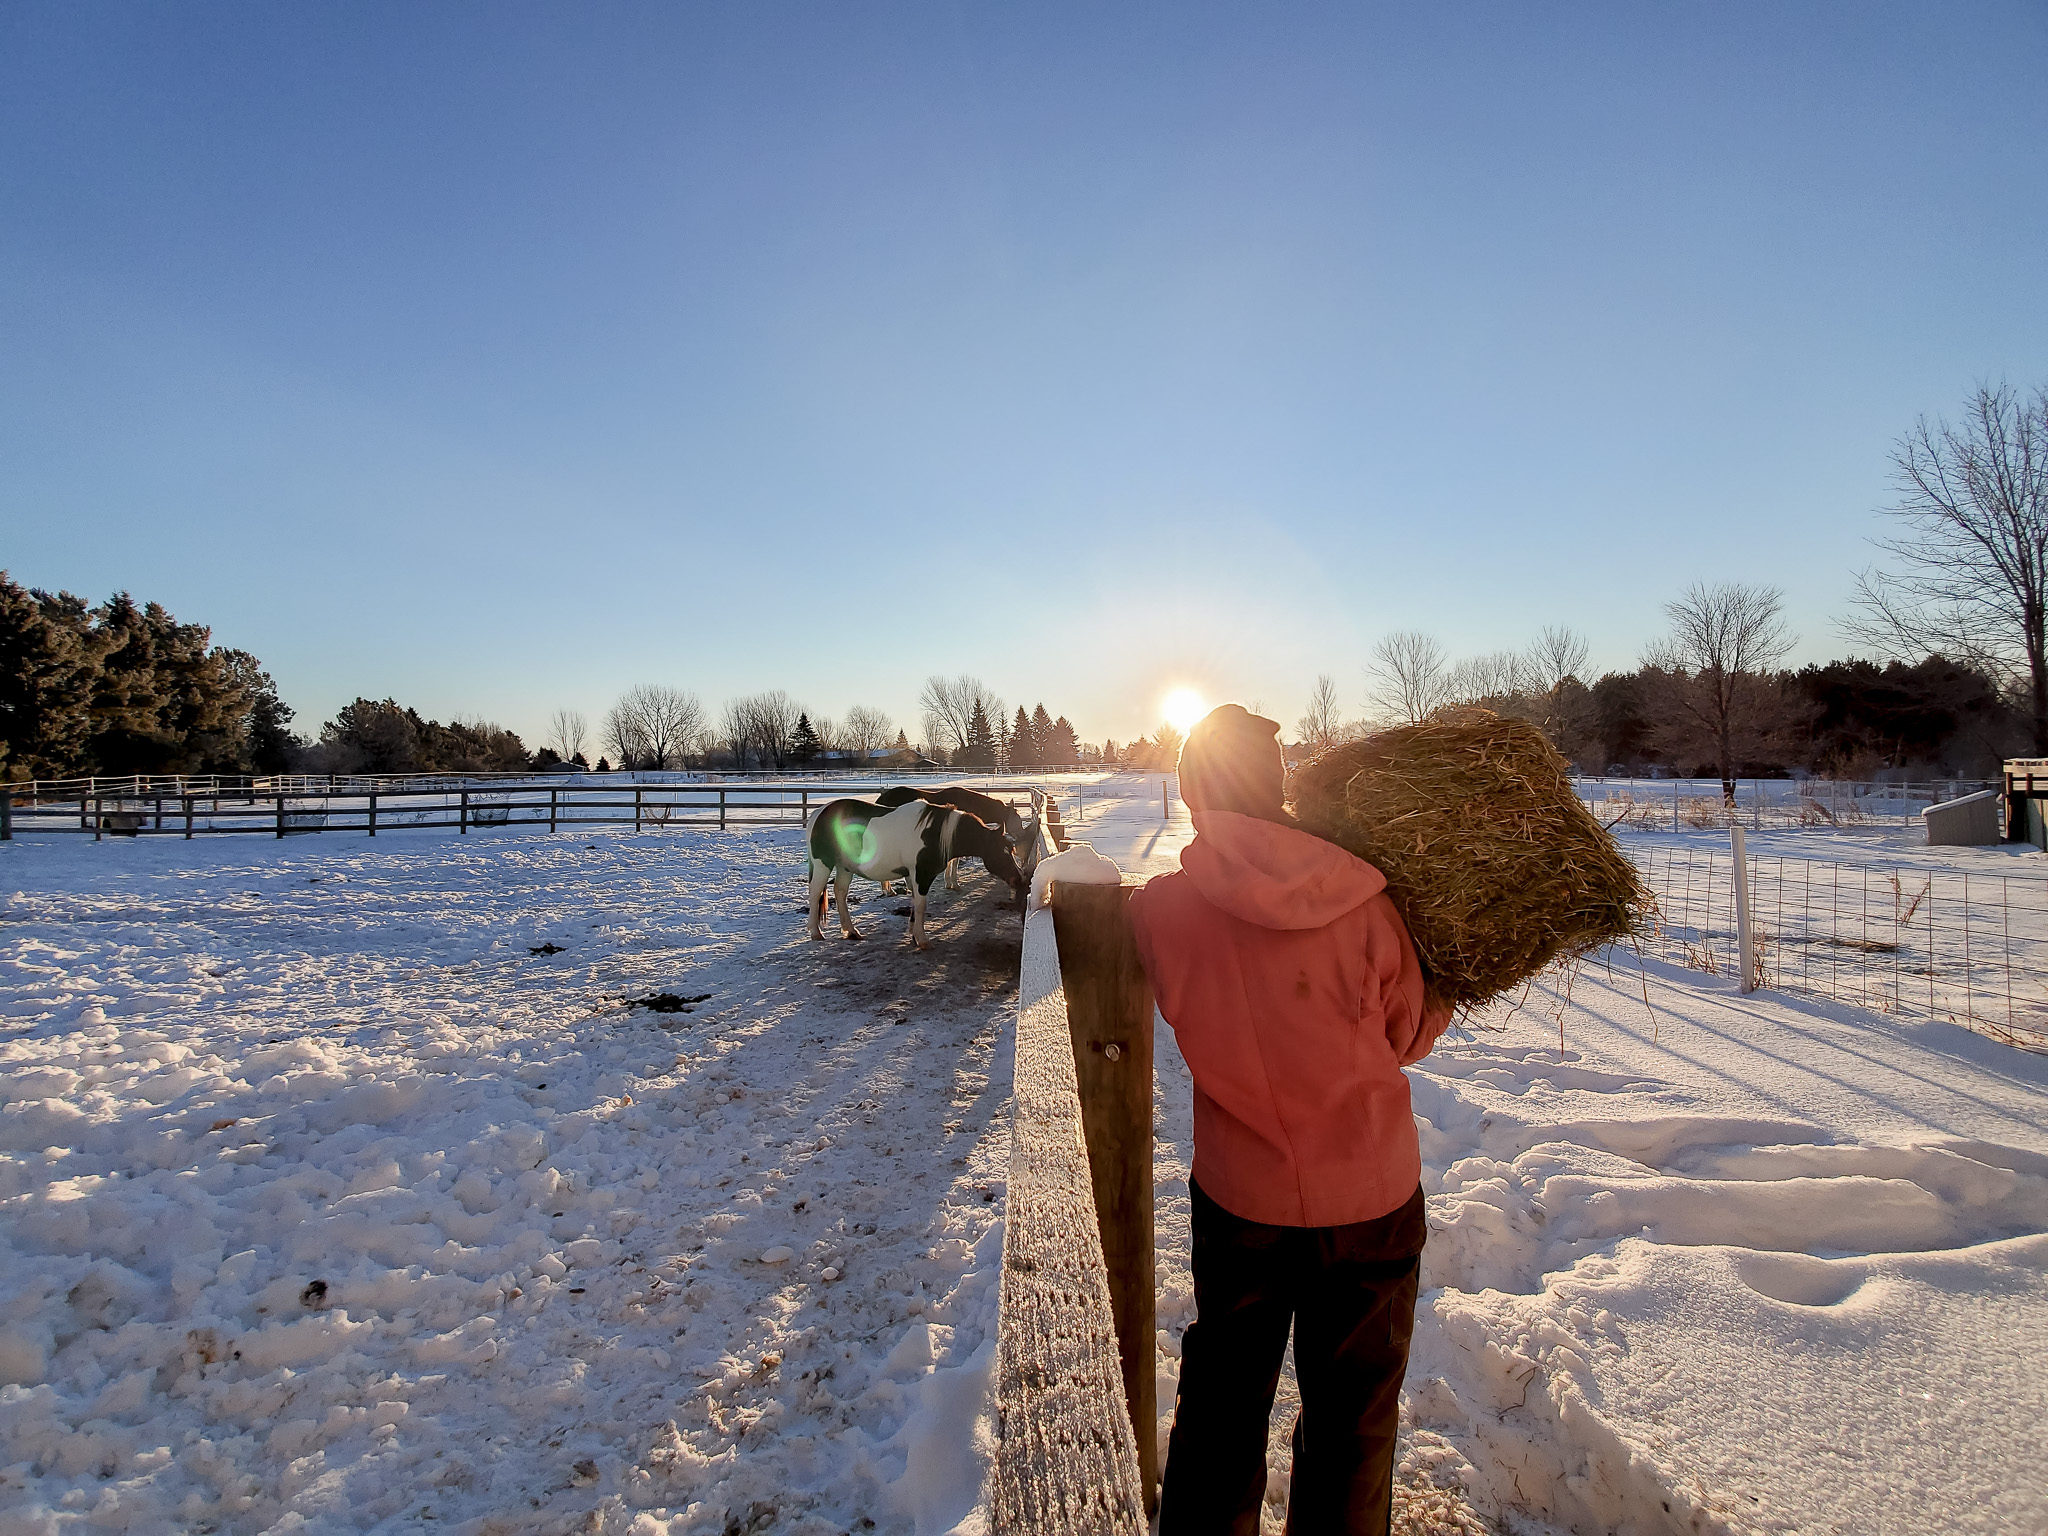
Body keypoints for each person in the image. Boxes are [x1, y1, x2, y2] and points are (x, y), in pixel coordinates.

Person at [1127, 704, 1449, 1536]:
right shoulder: (1364, 898)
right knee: (1354, 1421)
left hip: (1243, 1203)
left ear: (1195, 791)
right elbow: (1407, 1031)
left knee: (1224, 1404)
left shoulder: (1164, 913)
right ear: (1281, 788)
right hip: (1373, 1199)